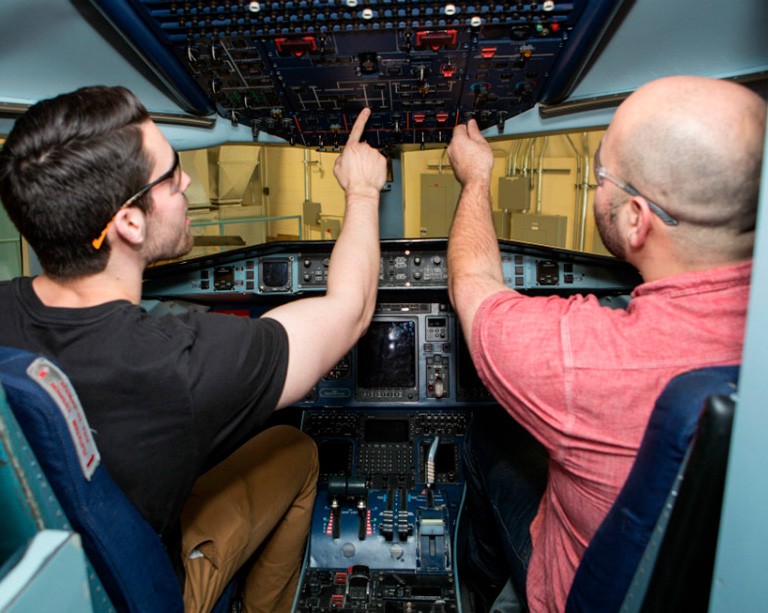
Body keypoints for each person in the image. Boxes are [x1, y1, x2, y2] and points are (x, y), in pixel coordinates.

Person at [0, 86, 387, 611]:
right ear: (129, 223)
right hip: (151, 591)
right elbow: (353, 309)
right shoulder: (178, 366)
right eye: (173, 173)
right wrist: (363, 193)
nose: (188, 181)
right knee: (299, 452)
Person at [446, 75, 766, 612]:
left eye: (601, 177)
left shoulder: (587, 358)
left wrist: (475, 180)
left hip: (578, 593)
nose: (598, 187)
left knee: (487, 434)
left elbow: (471, 281)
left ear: (637, 220)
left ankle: (482, 587)